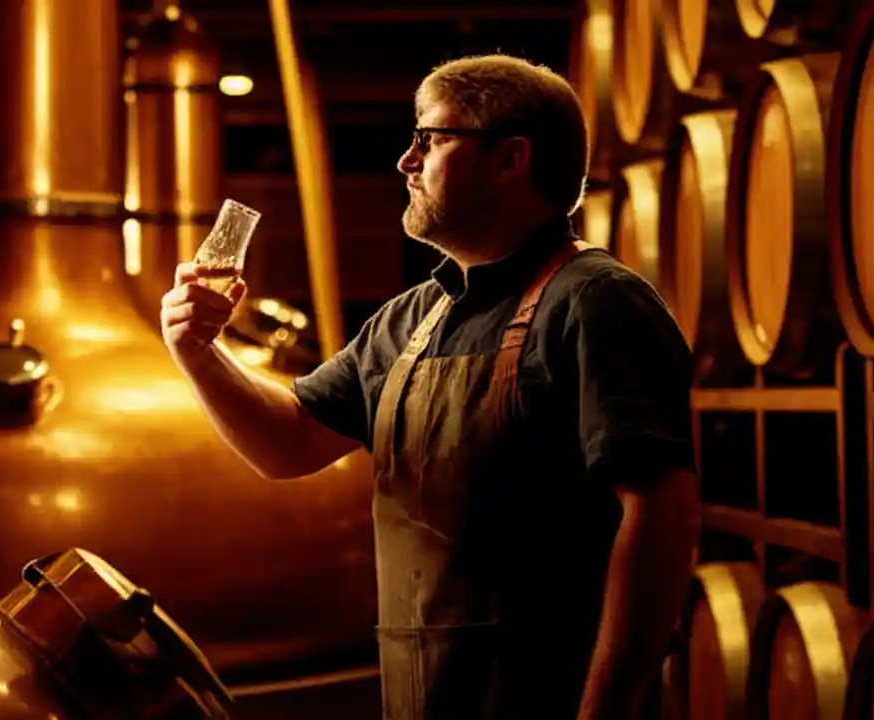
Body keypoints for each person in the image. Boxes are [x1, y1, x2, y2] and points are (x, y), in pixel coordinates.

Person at [159, 53, 700, 720]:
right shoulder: (410, 318)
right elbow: (288, 442)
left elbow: (660, 516)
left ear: (511, 159)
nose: (404, 162)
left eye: (430, 139)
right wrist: (195, 352)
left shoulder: (596, 302)